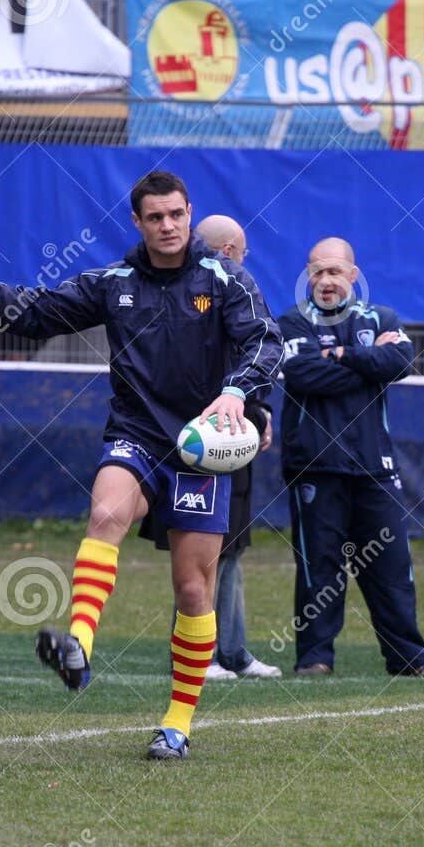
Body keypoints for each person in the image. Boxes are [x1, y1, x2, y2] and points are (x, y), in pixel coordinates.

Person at [0, 171, 283, 760]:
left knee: (191, 588)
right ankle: (78, 644)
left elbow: (265, 341)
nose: (167, 225)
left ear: (189, 214)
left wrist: (237, 393)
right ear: (138, 222)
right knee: (106, 510)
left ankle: (177, 725)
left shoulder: (225, 279)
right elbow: (35, 312)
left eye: (176, 215)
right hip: (135, 434)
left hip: (201, 449)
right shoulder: (115, 283)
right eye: (155, 217)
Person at [278, 238, 424, 680]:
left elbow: (400, 360)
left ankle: (411, 659)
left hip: (375, 466)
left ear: (353, 275)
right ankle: (315, 658)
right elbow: (302, 373)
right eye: (318, 272)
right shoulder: (292, 322)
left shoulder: (382, 318)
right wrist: (365, 366)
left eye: (335, 272)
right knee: (320, 568)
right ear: (307, 276)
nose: (326, 281)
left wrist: (341, 355)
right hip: (314, 464)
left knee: (391, 565)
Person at [138, 214, 283, 682]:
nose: (244, 263)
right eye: (240, 253)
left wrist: (259, 412)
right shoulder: (195, 298)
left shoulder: (234, 300)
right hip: (196, 443)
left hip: (230, 438)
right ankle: (202, 655)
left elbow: (252, 359)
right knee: (200, 555)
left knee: (232, 547)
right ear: (225, 252)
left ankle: (233, 651)